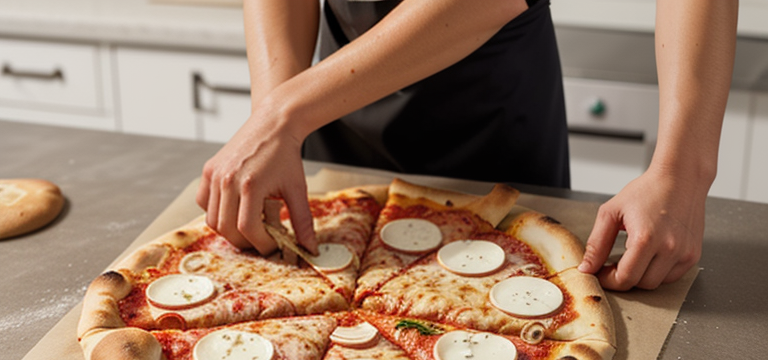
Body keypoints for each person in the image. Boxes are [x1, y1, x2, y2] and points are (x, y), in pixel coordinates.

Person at [195, 0, 738, 292]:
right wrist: (276, 114)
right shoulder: (294, 112)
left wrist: (683, 168)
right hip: (330, 117)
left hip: (492, 121)